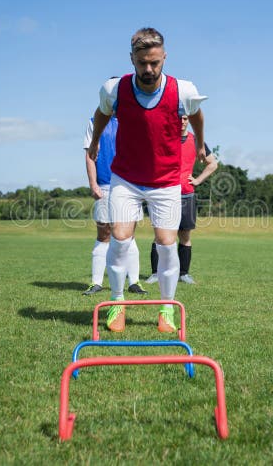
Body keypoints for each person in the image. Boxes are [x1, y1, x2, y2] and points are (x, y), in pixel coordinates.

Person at [87, 27, 207, 333]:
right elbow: (102, 112)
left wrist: (202, 144)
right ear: (132, 60)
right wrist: (96, 140)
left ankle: (167, 307)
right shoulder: (115, 89)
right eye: (142, 63)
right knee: (120, 238)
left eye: (154, 62)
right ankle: (116, 303)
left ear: (164, 57)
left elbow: (197, 115)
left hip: (165, 181)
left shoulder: (183, 91)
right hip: (125, 178)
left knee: (167, 245)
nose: (149, 69)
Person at [146, 114, 218, 285]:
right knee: (160, 236)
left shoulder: (195, 141)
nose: (182, 121)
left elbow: (212, 164)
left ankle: (184, 274)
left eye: (185, 118)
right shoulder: (164, 138)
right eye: (179, 118)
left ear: (189, 121)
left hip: (186, 194)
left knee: (184, 235)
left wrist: (198, 180)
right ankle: (156, 273)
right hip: (164, 194)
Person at [82, 111, 146, 296]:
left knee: (129, 235)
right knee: (104, 234)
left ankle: (134, 282)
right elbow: (89, 155)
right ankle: (96, 283)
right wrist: (93, 183)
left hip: (129, 186)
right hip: (104, 184)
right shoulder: (95, 121)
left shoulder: (133, 118)